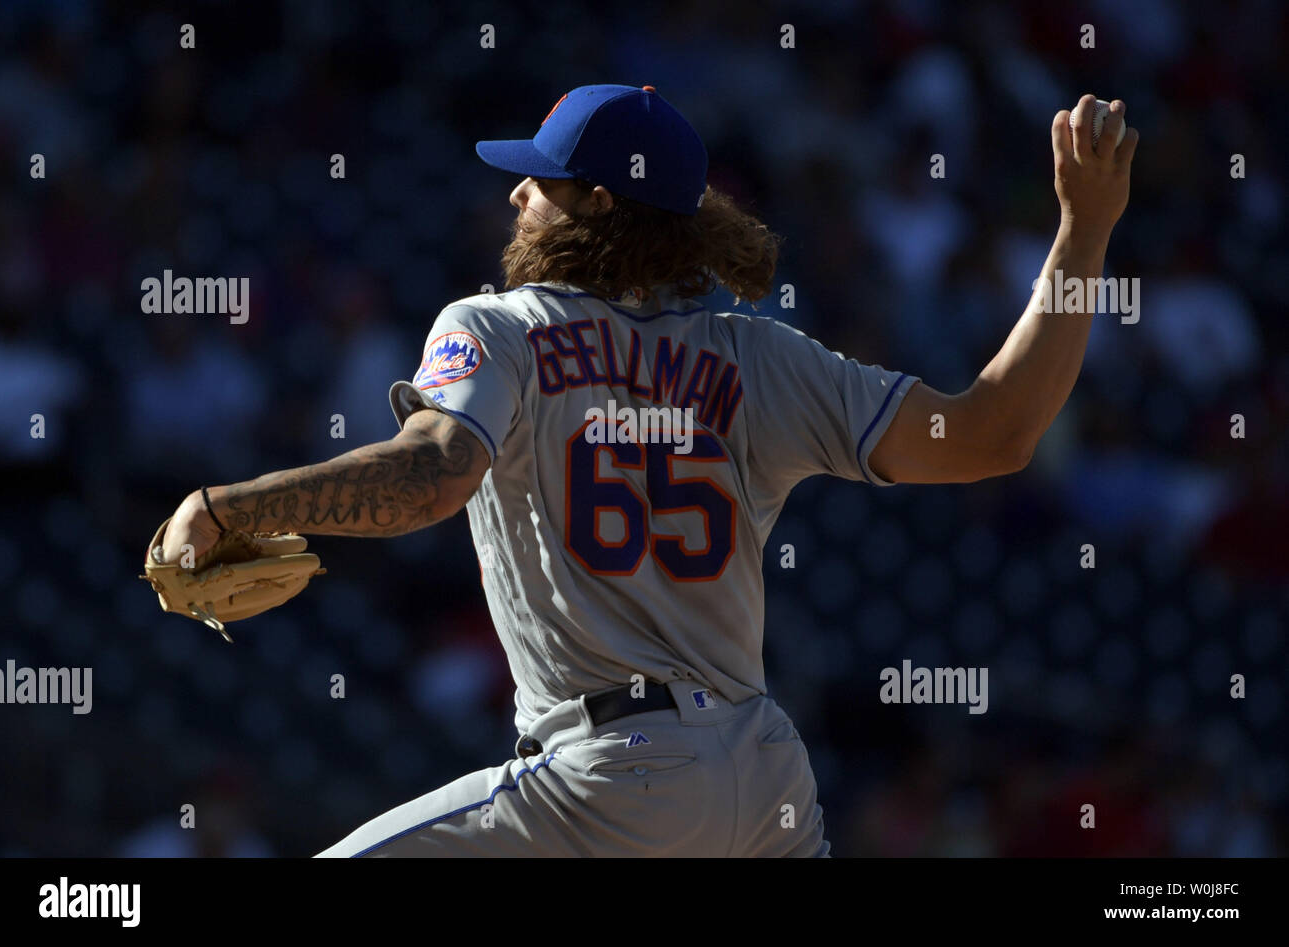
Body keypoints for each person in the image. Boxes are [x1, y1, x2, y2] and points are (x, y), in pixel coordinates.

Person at [160, 85, 1137, 856]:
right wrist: (1084, 230)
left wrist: (227, 502)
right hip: (763, 783)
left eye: (538, 179)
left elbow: (431, 477)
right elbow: (995, 433)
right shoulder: (763, 357)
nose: (515, 193)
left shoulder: (498, 327)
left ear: (591, 203)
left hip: (614, 779)